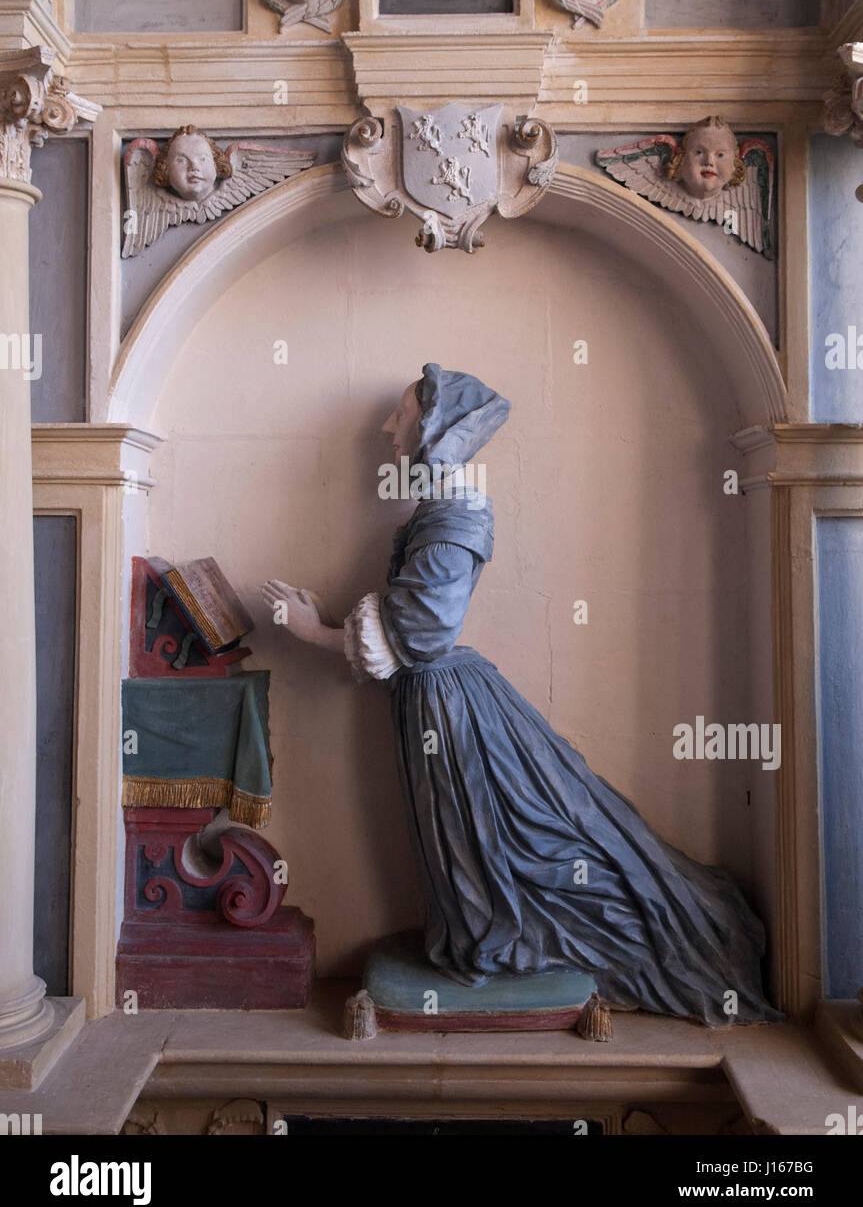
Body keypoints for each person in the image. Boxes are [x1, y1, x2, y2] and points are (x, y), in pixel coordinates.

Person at [261, 363, 783, 1026]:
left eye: (402, 414)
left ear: (435, 428)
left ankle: (499, 946)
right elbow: (410, 623)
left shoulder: (455, 516)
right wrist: (326, 622)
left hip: (448, 706)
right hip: (434, 698)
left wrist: (311, 632)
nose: (389, 427)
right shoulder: (442, 510)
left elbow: (421, 633)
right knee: (472, 837)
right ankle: (478, 940)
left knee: (491, 834)